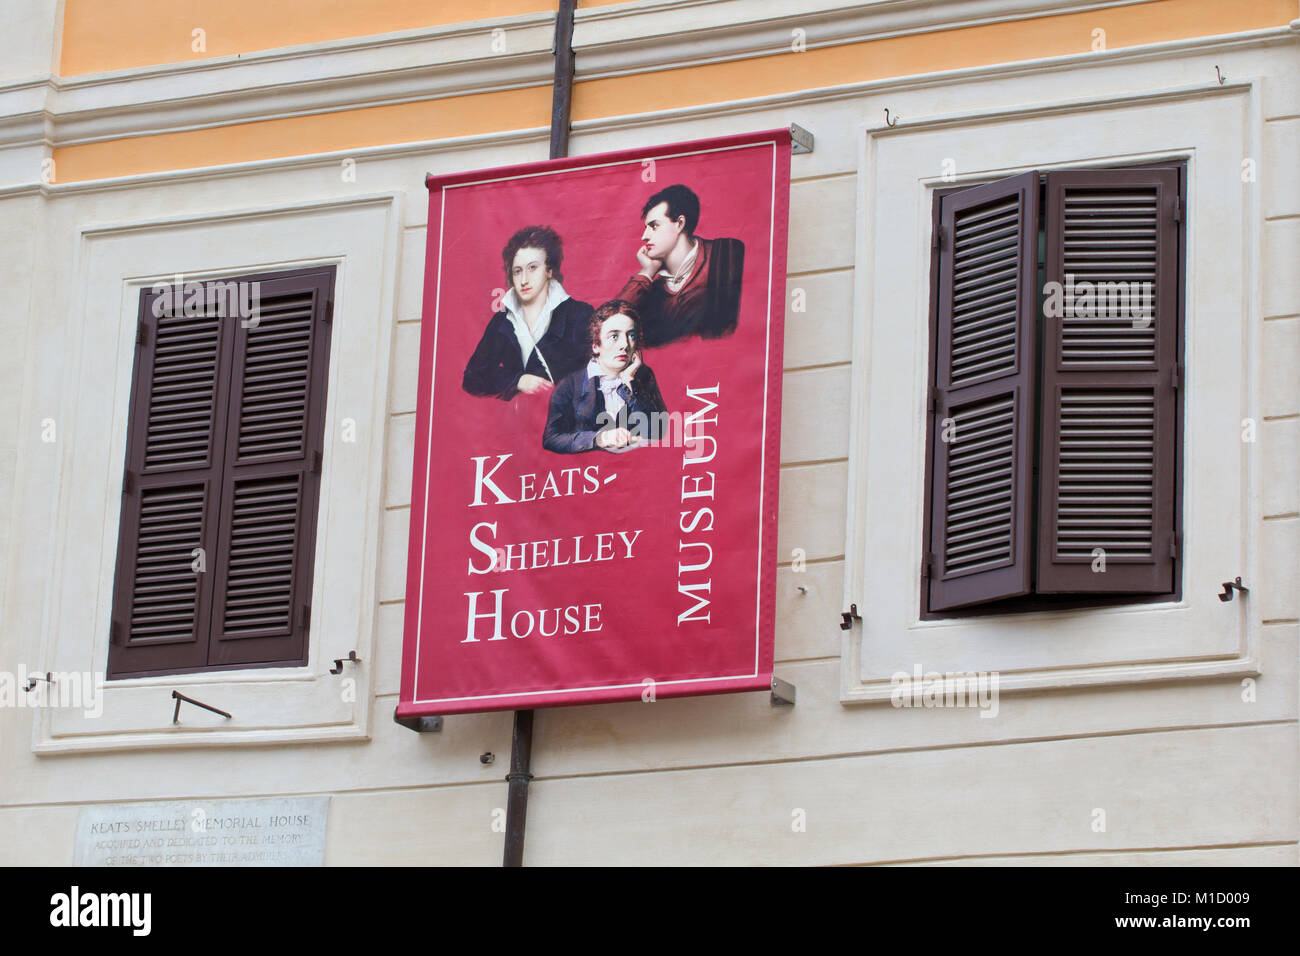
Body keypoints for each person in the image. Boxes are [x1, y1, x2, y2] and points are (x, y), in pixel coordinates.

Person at [462, 225, 593, 400]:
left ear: (549, 271)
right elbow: (472, 377)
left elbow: (596, 375)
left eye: (532, 268)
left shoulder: (579, 315)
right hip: (518, 420)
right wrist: (519, 380)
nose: (524, 280)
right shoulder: (503, 319)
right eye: (518, 271)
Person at [615, 184, 745, 347]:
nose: (644, 236)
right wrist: (646, 273)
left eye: (654, 226)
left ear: (680, 223)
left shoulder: (726, 256)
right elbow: (611, 327)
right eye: (645, 228)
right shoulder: (650, 290)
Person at [543, 300, 668, 454]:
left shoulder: (643, 376)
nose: (625, 344)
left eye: (631, 335)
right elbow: (552, 439)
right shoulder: (570, 384)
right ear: (596, 345)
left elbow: (658, 431)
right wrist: (599, 438)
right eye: (614, 336)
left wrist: (631, 384)